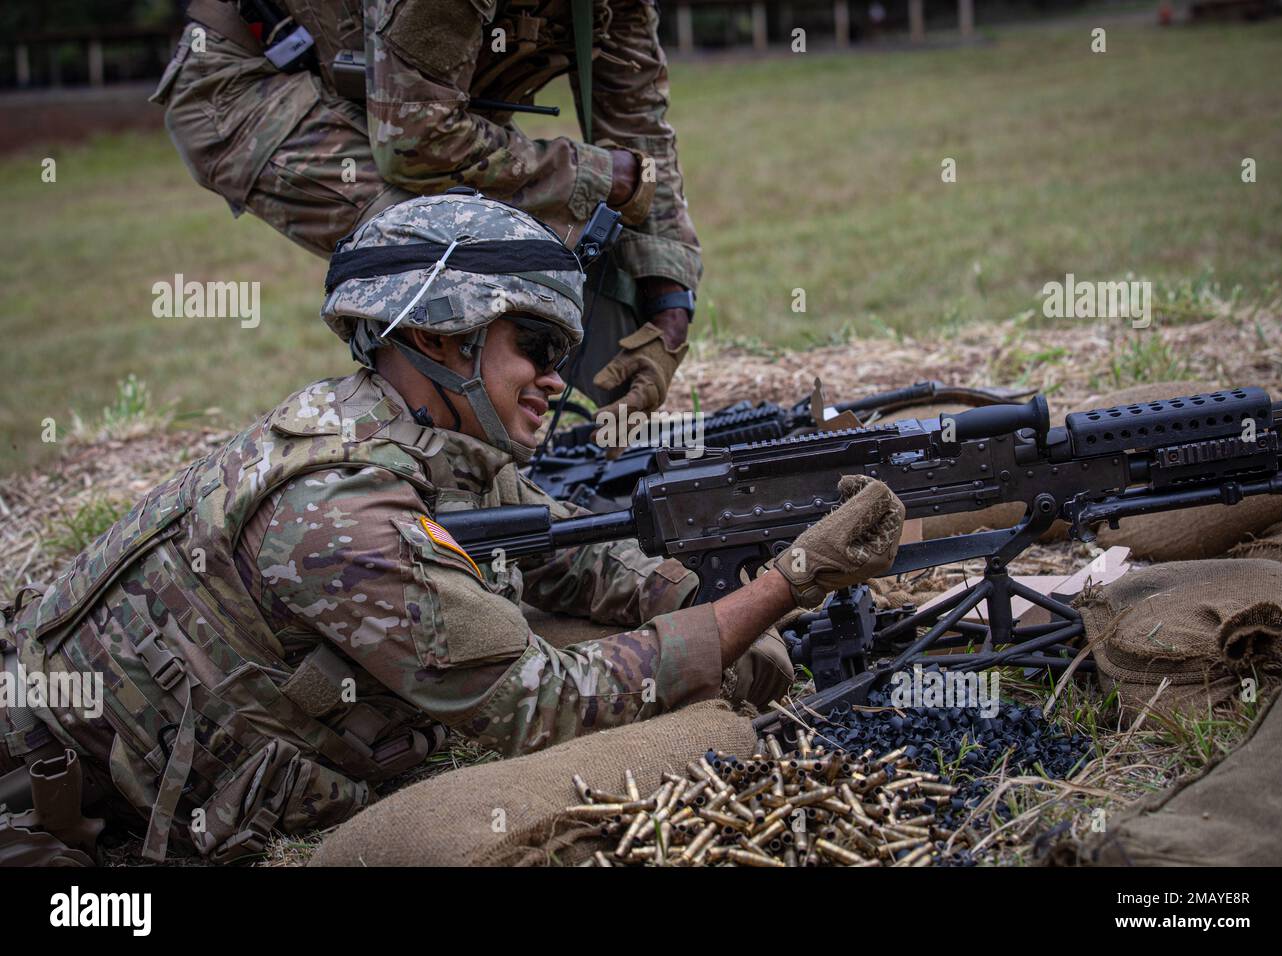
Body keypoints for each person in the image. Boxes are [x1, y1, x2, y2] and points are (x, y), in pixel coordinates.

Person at [0, 195, 903, 865]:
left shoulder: (408, 436)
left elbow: (579, 560)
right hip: (57, 835)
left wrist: (707, 589)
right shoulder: (338, 512)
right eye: (537, 350)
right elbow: (542, 705)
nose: (559, 380)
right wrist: (785, 580)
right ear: (438, 338)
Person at [150, 0, 701, 415]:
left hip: (404, 106)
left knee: (593, 294)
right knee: (459, 267)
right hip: (253, 87)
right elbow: (415, 139)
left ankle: (530, 450)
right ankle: (410, 491)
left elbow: (639, 133)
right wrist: (598, 175)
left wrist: (669, 304)